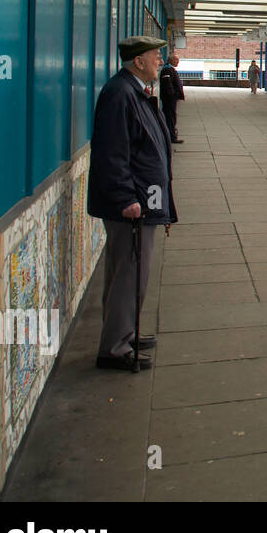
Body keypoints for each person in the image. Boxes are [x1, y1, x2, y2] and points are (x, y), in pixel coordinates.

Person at [88, 35, 177, 371]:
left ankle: (124, 331)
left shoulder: (131, 91)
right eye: (156, 55)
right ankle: (115, 347)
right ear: (138, 60)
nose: (159, 60)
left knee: (127, 271)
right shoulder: (121, 94)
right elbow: (112, 152)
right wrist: (125, 197)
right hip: (134, 202)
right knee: (130, 273)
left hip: (143, 198)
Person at [158, 53, 186, 144]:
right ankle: (171, 137)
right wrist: (173, 95)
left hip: (170, 99)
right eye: (175, 60)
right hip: (169, 99)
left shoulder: (170, 69)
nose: (177, 62)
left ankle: (170, 135)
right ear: (170, 60)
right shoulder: (167, 70)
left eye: (178, 60)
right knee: (170, 117)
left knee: (170, 117)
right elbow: (168, 85)